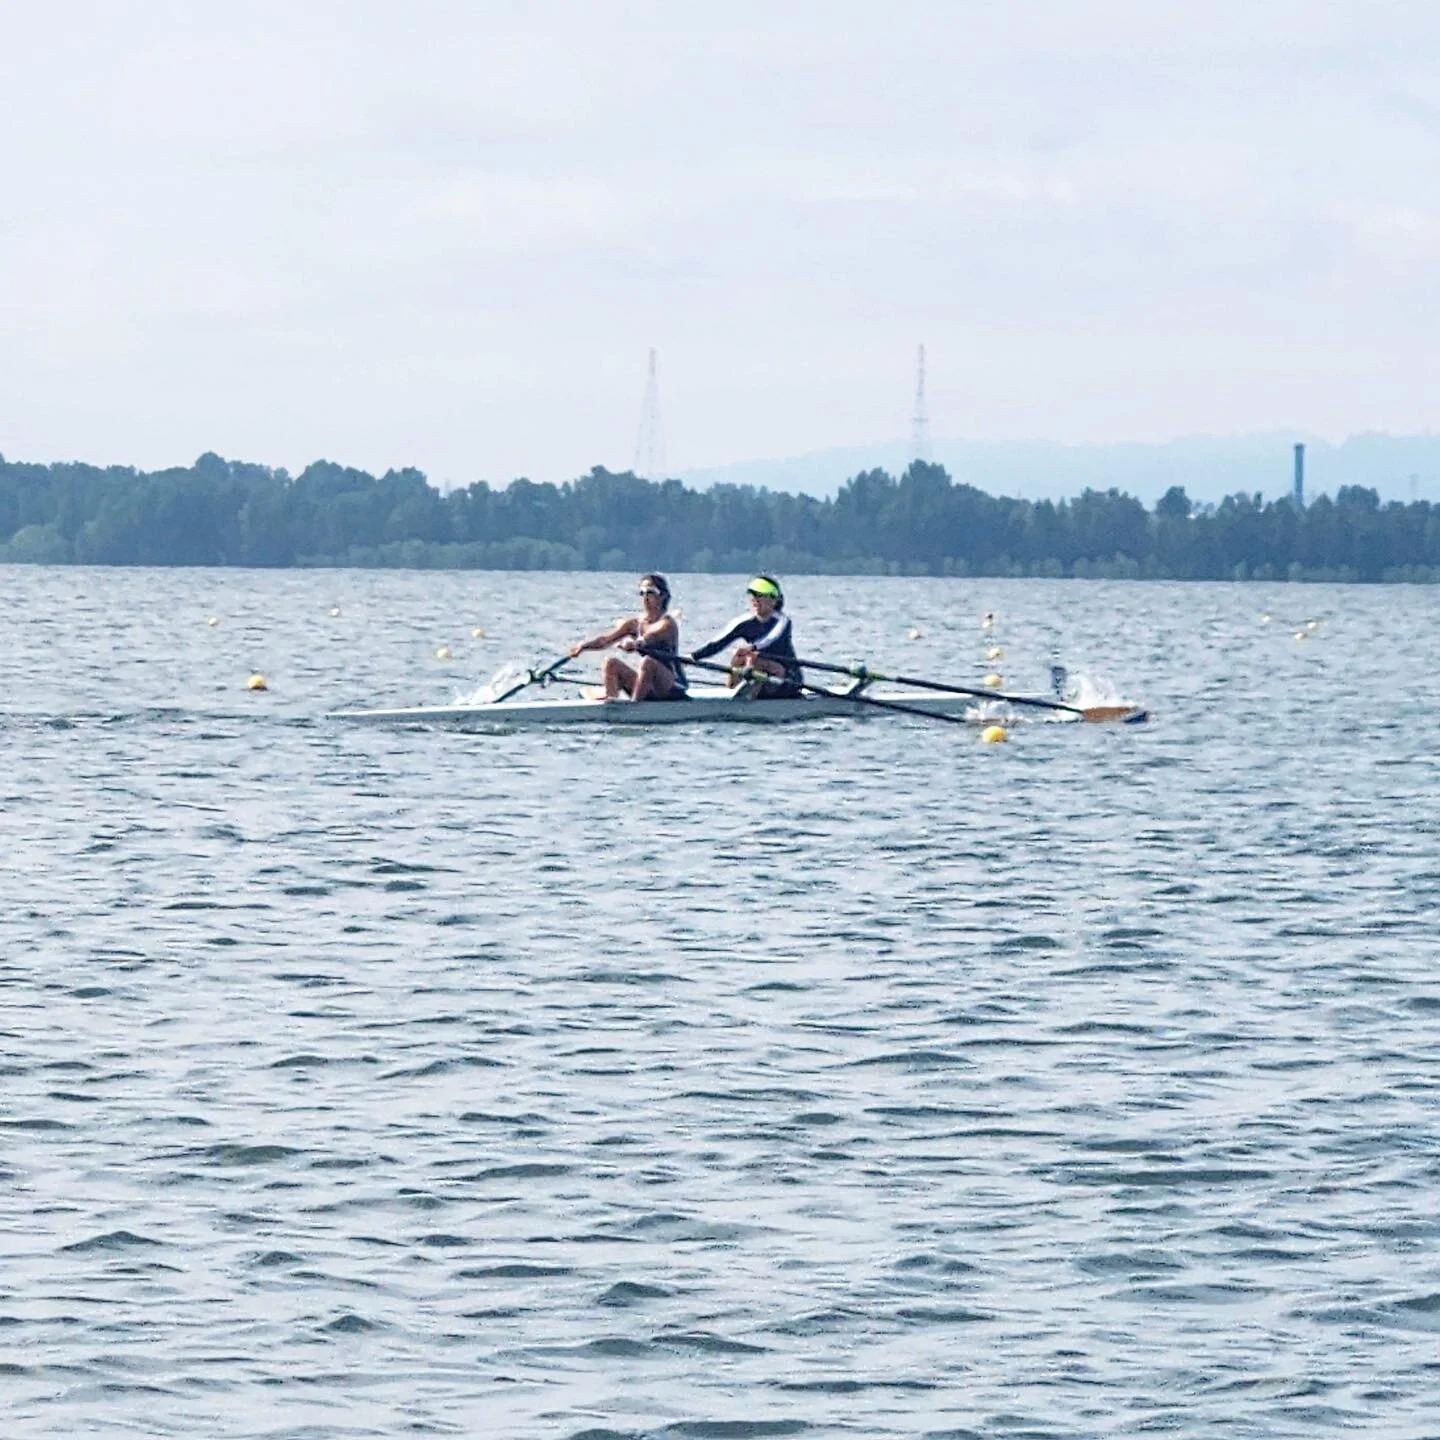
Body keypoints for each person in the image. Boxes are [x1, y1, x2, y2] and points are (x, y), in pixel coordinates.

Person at [568, 574, 687, 701]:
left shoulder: (668, 624)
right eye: (642, 593)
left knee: (648, 662)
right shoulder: (635, 624)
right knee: (611, 663)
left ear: (662, 596)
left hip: (671, 685)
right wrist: (583, 647)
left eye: (651, 593)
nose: (645, 598)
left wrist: (636, 643)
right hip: (648, 683)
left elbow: (651, 636)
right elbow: (605, 640)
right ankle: (611, 704)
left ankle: (634, 708)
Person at [690, 574, 802, 698]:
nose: (755, 599)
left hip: (787, 678)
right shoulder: (744, 623)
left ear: (774, 600)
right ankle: (735, 694)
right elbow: (718, 643)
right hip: (758, 672)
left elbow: (770, 639)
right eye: (753, 595)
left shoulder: (783, 621)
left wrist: (752, 648)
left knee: (753, 659)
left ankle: (744, 702)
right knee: (738, 657)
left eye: (760, 595)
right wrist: (692, 657)